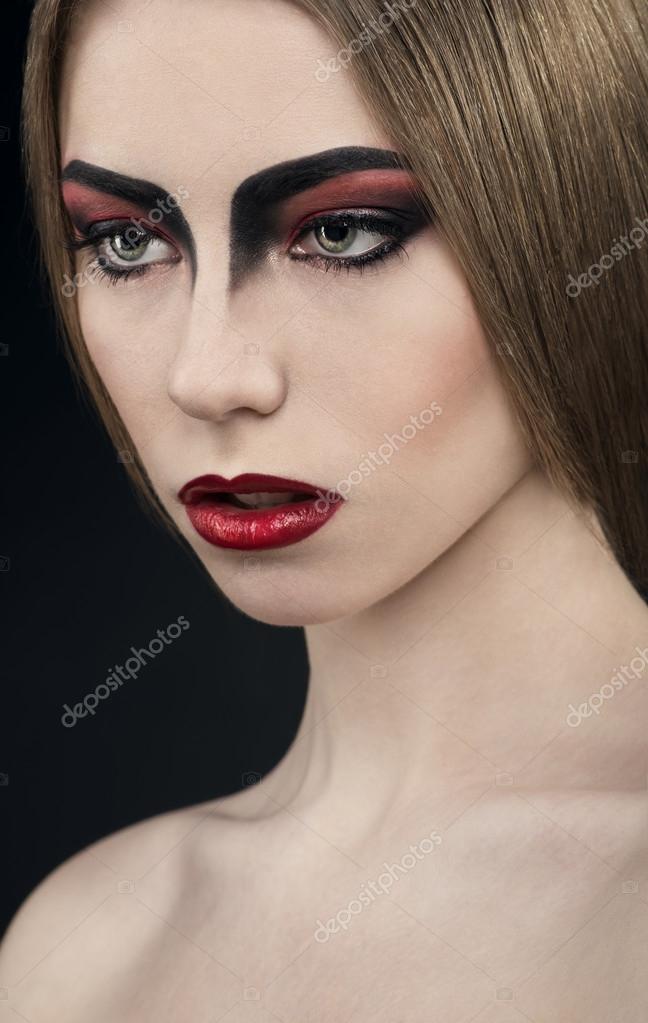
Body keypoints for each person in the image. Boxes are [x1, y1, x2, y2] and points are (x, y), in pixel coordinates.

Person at [2, 0, 647, 1018]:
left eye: (341, 232)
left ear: (580, 208)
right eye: (127, 242)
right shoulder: (86, 945)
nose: (207, 374)